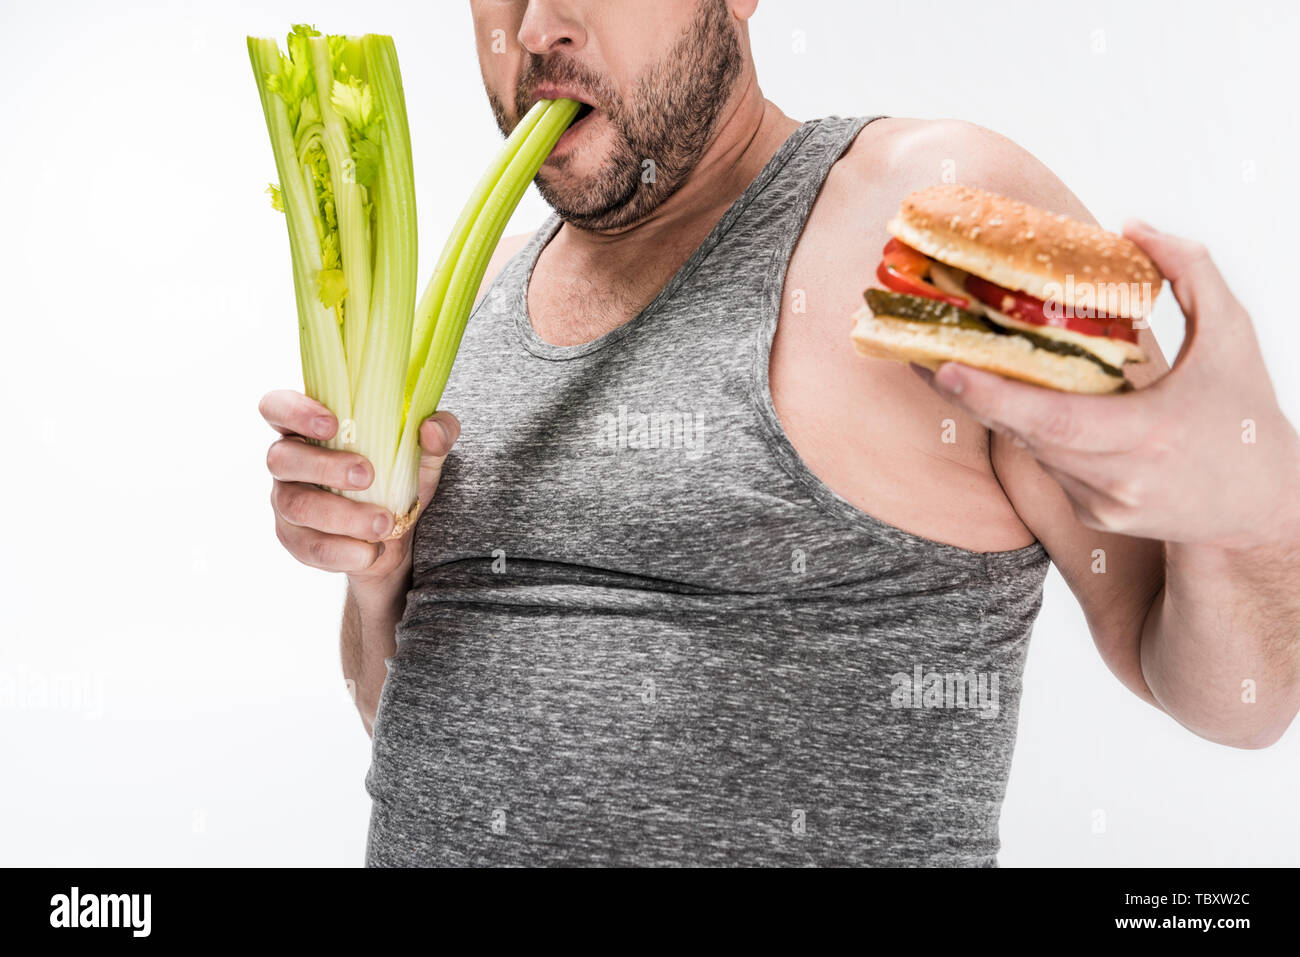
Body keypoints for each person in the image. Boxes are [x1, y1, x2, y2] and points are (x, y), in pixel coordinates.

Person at [257, 1, 1300, 866]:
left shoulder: (932, 219)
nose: (539, 26)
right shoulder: (477, 295)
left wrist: (1250, 516)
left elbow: (1239, 701)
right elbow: (389, 704)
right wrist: (378, 573)